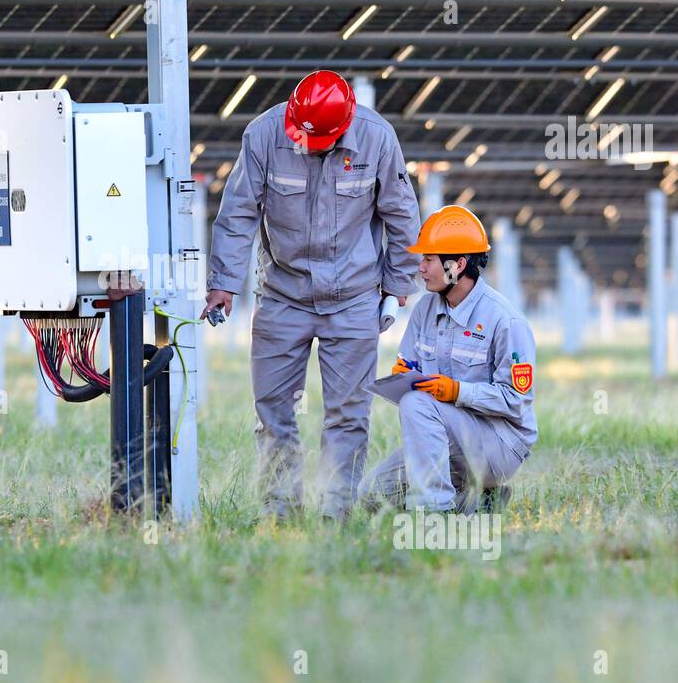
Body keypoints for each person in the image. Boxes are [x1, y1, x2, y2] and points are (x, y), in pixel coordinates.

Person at [202, 70, 421, 519]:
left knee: (348, 414)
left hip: (355, 299)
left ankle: (335, 513)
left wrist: (398, 284)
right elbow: (239, 212)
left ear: (344, 127)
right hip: (282, 296)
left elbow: (401, 212)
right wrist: (223, 282)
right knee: (274, 412)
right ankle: (280, 510)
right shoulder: (263, 136)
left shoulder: (377, 138)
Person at [358, 206, 537, 514]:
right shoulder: (424, 311)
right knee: (373, 495)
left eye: (429, 259)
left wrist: (457, 392)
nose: (421, 268)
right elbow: (412, 370)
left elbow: (516, 400)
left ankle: (434, 512)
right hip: (443, 434)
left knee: (418, 404)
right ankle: (477, 503)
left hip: (500, 443)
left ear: (458, 265)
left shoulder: (505, 320)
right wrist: (404, 375)